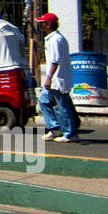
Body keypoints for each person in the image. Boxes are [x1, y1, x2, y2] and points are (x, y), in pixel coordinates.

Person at [36, 12, 80, 143]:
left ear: (48, 24)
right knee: (43, 100)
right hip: (54, 79)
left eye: (42, 23)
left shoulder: (56, 40)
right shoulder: (52, 38)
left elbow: (55, 61)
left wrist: (49, 77)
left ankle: (70, 134)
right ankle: (55, 128)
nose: (41, 26)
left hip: (57, 79)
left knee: (61, 106)